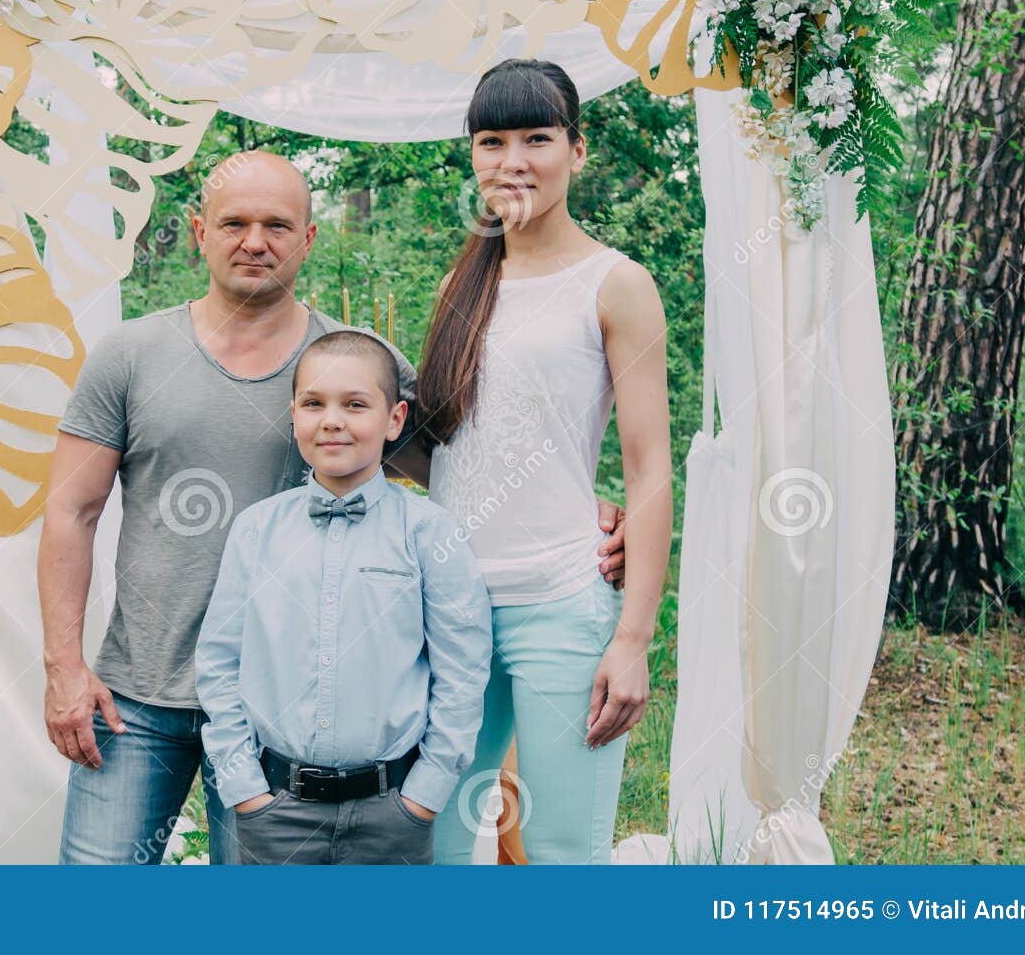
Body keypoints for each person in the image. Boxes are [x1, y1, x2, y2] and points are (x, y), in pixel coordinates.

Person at [38, 148, 627, 865]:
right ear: (199, 231)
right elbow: (71, 511)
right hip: (137, 693)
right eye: (234, 223)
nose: (255, 241)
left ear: (309, 238)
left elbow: (458, 466)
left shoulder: (353, 363)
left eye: (278, 225)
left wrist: (572, 507)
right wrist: (63, 666)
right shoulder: (129, 355)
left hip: (281, 719)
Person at [412, 58, 674, 864]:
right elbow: (444, 446)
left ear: (578, 150)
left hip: (562, 601)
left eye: (538, 137)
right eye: (492, 141)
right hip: (450, 607)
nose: (513, 160)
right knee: (442, 845)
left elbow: (651, 468)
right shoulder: (465, 280)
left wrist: (633, 637)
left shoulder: (617, 284)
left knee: (563, 849)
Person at [195, 332, 491, 864]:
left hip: (392, 814)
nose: (332, 420)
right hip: (276, 811)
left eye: (355, 404)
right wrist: (245, 789)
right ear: (293, 416)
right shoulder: (255, 531)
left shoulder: (429, 533)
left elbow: (462, 671)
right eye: (314, 404)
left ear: (395, 419)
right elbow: (220, 662)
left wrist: (423, 797)